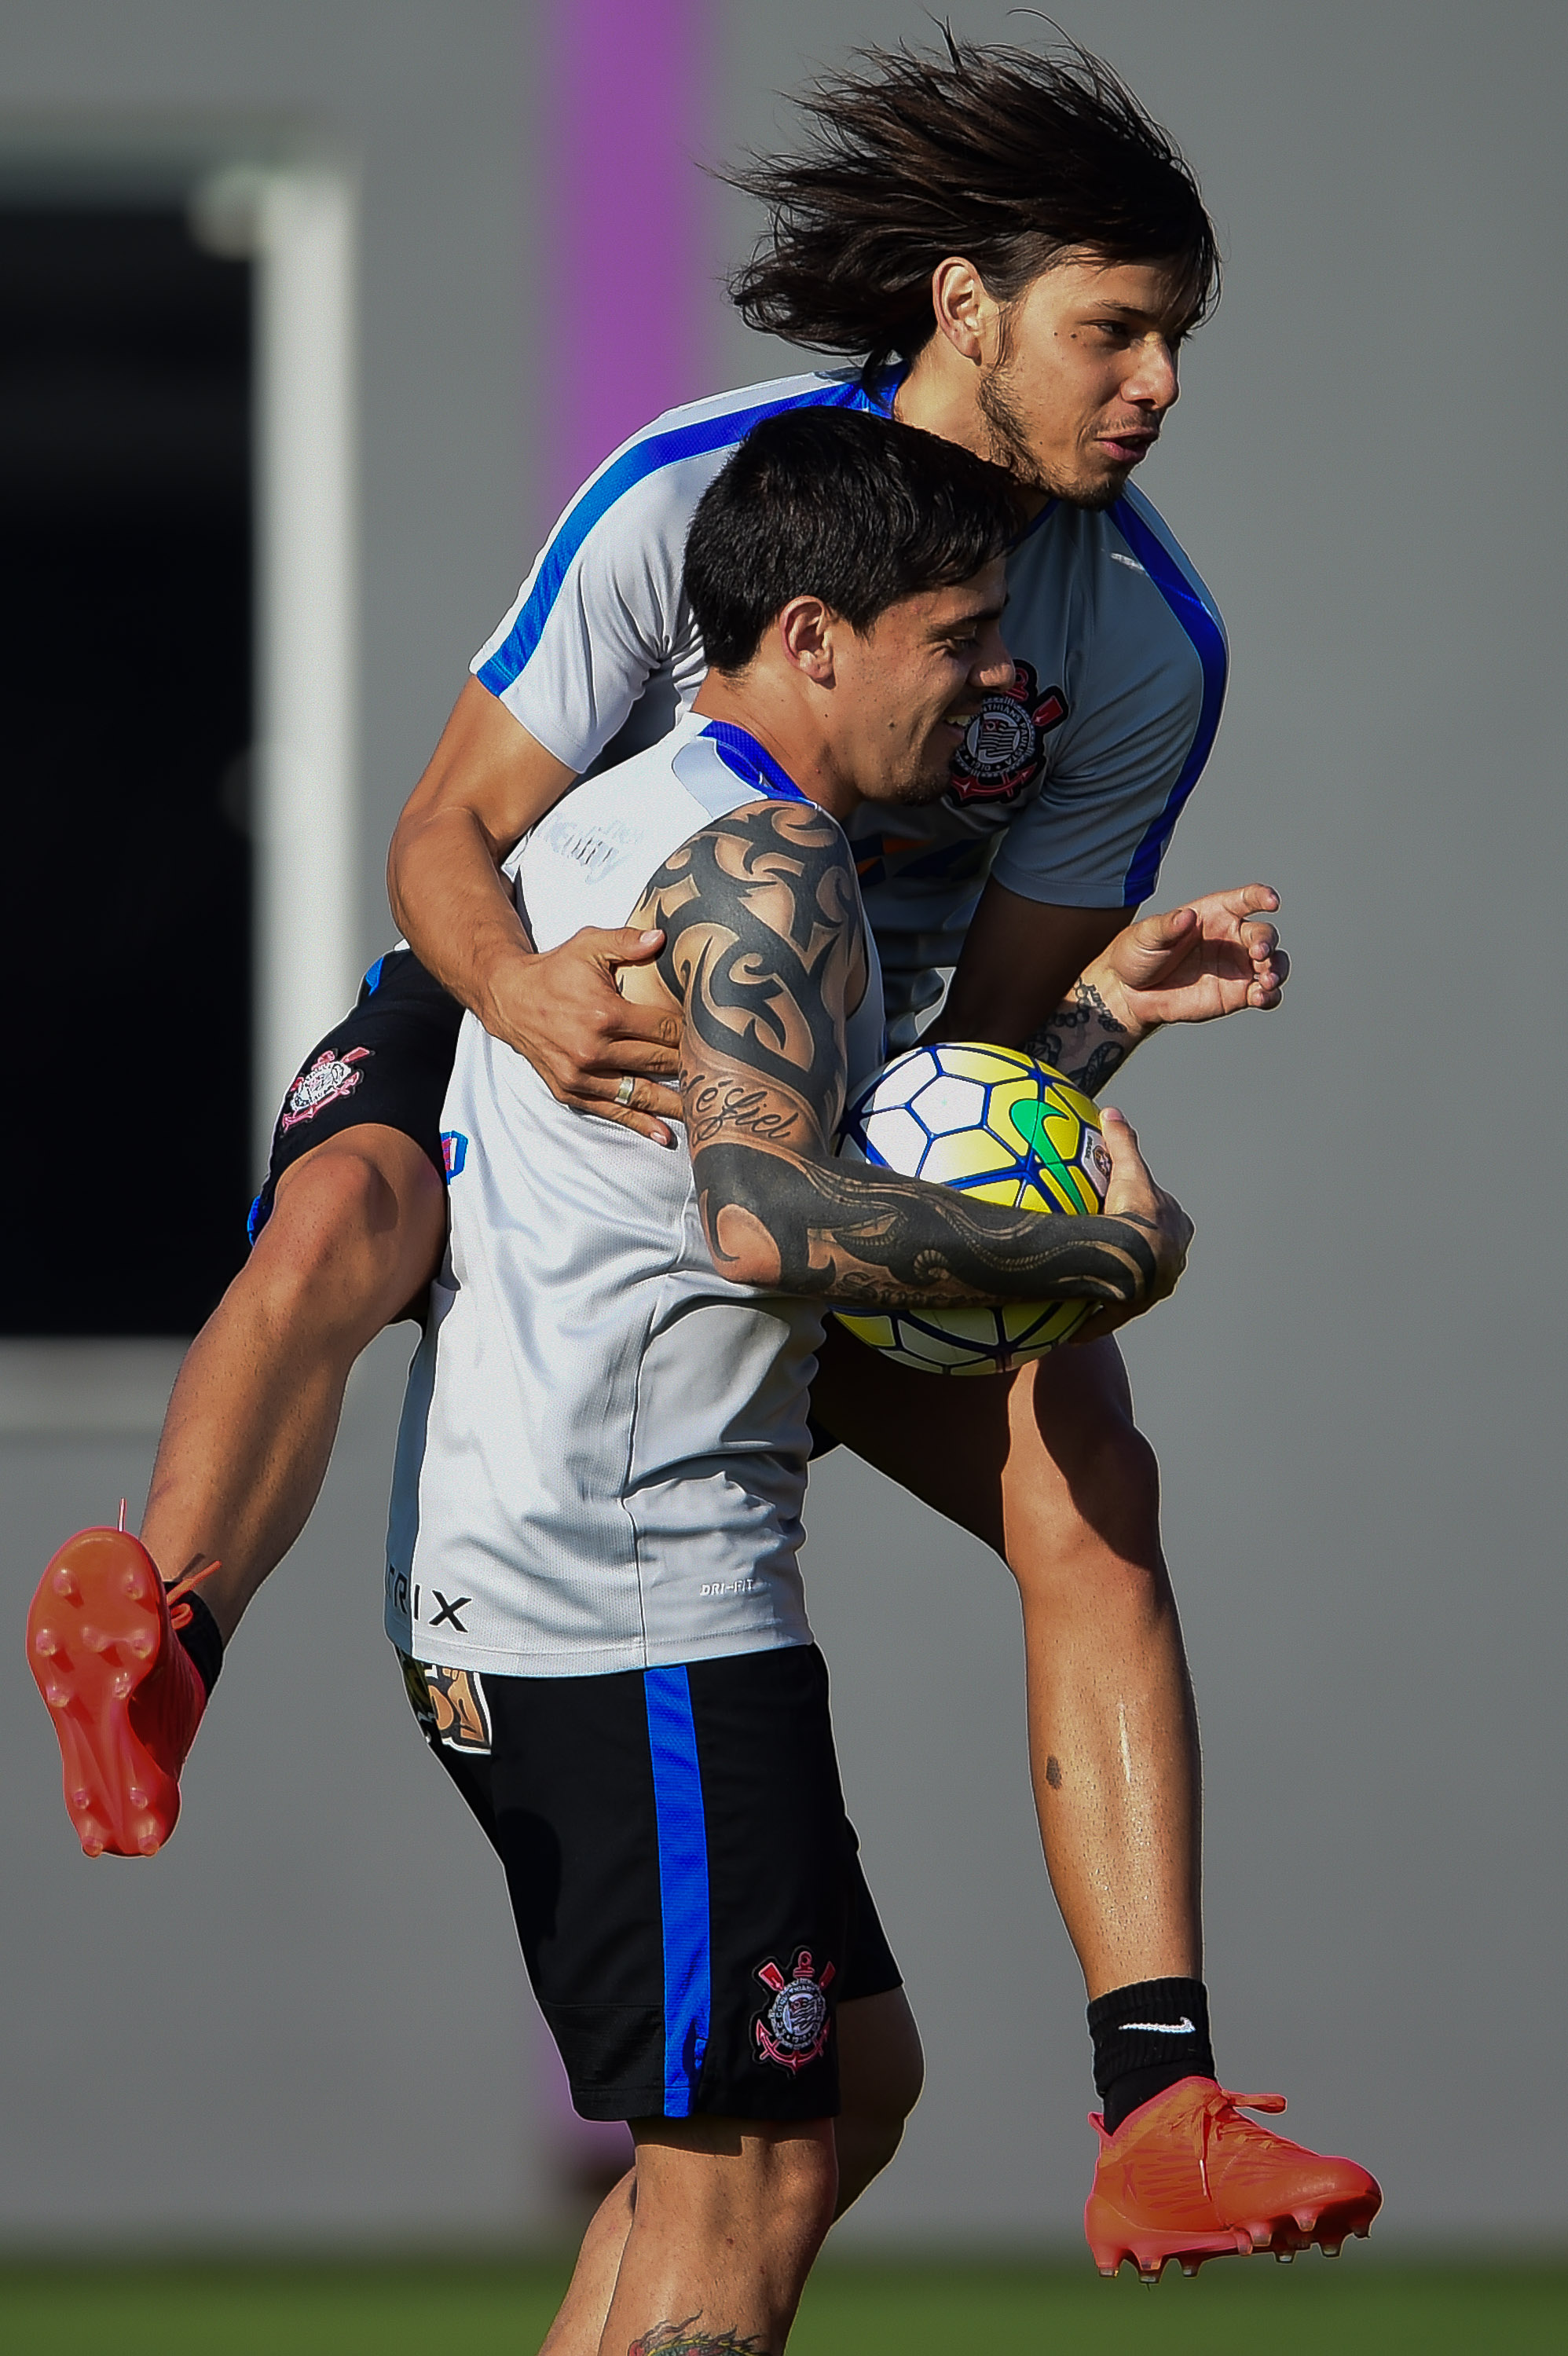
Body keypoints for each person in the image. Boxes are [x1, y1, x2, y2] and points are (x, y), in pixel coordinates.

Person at [31, 35, 1370, 2266]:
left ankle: (1161, 2100)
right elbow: (445, 834)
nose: (1151, 387)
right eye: (1110, 329)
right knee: (357, 1206)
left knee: (1089, 1486)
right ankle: (161, 1628)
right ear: (964, 304)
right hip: (528, 1001)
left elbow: (994, 1042)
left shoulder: (1134, 637)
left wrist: (1098, 1025)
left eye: (1175, 343)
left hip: (815, 1107)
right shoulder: (694, 494)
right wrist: (532, 999)